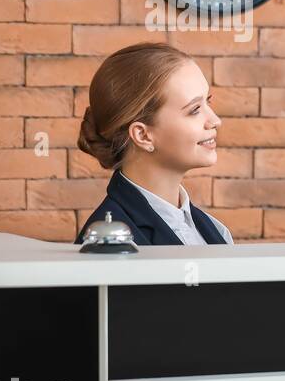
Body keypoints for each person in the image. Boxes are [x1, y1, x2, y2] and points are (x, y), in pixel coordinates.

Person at [76, 42, 233, 246]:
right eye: (194, 109)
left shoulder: (216, 231)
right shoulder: (109, 244)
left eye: (208, 102)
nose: (215, 120)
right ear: (143, 135)